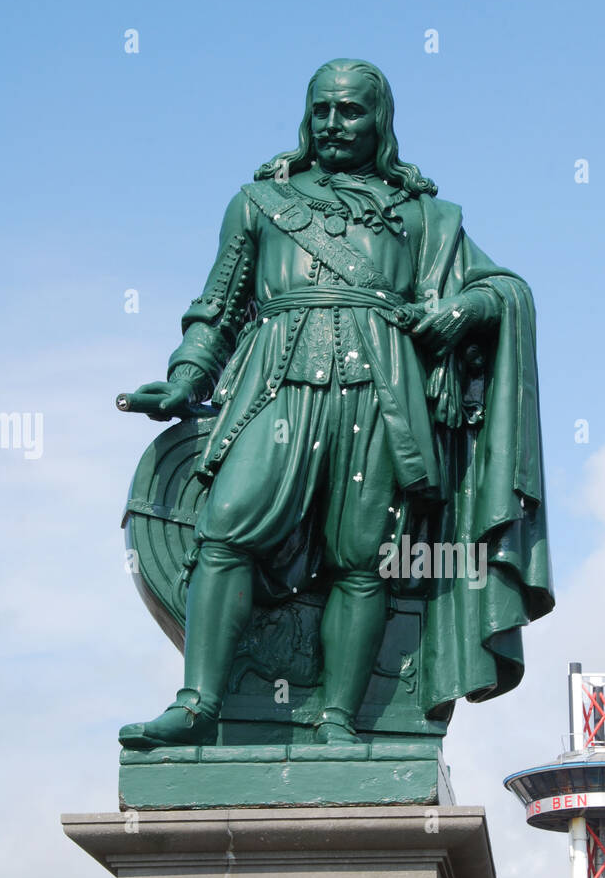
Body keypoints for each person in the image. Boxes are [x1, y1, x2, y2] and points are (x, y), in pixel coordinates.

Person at [118, 58, 553, 748]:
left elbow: (503, 288)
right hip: (277, 378)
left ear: (379, 120)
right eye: (320, 110)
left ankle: (337, 720)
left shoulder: (423, 217)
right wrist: (184, 378)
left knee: (364, 555)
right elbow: (219, 310)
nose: (331, 123)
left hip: (384, 390)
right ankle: (199, 702)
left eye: (348, 111)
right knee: (227, 525)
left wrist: (461, 310)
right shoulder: (259, 203)